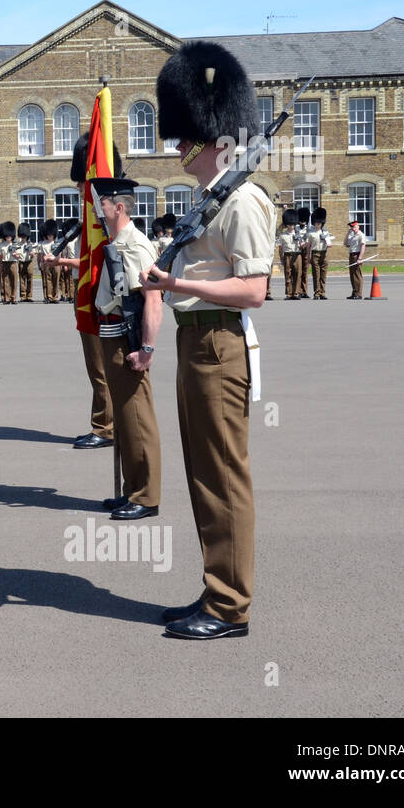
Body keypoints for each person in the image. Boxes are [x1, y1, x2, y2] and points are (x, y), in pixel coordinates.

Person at [141, 39, 276, 640]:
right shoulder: (208, 200)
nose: (175, 147)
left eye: (183, 137)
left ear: (208, 135)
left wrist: (172, 281)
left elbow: (253, 290)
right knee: (202, 473)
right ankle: (216, 586)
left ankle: (229, 605)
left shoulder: (243, 201)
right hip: (194, 342)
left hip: (219, 345)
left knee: (222, 474)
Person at [89, 177, 163, 521]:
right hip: (112, 334)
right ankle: (132, 488)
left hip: (127, 339)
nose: (95, 208)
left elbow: (152, 299)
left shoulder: (135, 245)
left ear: (119, 207)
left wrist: (146, 348)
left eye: (101, 202)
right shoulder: (118, 241)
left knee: (137, 418)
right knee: (125, 417)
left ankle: (146, 496)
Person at [43, 134, 120, 451]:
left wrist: (61, 260)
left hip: (100, 292)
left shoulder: (104, 219)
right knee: (95, 365)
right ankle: (102, 423)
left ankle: (106, 427)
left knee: (101, 365)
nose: (79, 188)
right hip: (86, 287)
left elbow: (99, 261)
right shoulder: (91, 217)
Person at [306, 207, 333, 300]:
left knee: (323, 274)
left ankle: (322, 292)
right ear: (314, 223)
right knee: (316, 274)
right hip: (315, 254)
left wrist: (327, 241)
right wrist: (308, 257)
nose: (318, 225)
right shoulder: (311, 233)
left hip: (324, 254)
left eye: (319, 223)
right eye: (316, 223)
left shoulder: (325, 232)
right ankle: (316, 293)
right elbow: (308, 246)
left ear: (322, 223)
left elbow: (330, 245)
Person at [276, 209, 301, 299]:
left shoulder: (299, 234)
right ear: (287, 225)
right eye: (290, 224)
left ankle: (296, 293)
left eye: (293, 224)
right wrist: (281, 258)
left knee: (297, 274)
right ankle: (289, 293)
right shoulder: (282, 235)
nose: (291, 226)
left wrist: (299, 241)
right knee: (288, 274)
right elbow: (280, 248)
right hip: (287, 255)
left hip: (297, 254)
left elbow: (303, 246)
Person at [344, 220, 366, 298]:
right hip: (351, 255)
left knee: (357, 275)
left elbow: (363, 246)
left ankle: (359, 294)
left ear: (358, 226)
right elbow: (345, 243)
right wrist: (348, 233)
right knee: (352, 275)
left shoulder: (361, 235)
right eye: (352, 227)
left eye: (354, 226)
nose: (353, 228)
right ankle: (354, 292)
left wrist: (360, 258)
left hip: (357, 255)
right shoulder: (352, 235)